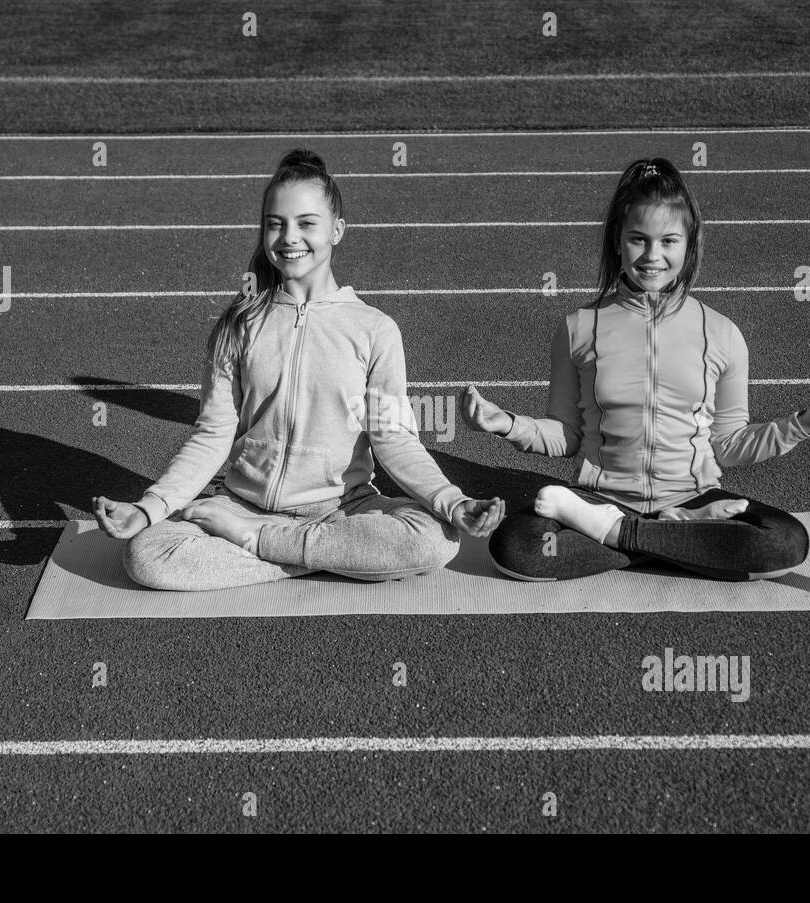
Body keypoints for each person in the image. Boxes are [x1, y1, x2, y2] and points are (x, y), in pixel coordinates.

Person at [95, 149, 505, 591]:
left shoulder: (374, 329)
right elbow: (211, 434)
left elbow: (395, 439)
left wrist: (452, 501)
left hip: (341, 507)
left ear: (336, 231)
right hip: (243, 504)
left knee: (435, 538)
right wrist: (150, 507)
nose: (290, 237)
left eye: (307, 223)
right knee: (147, 553)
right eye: (276, 223)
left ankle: (259, 544)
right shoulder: (239, 324)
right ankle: (326, 554)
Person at [462, 157, 810, 582]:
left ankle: (616, 537)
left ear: (689, 244)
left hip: (692, 499)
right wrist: (507, 424)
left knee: (785, 540)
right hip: (600, 498)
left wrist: (805, 422)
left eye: (668, 241)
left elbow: (728, 444)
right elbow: (568, 434)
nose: (652, 256)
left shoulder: (721, 333)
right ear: (617, 241)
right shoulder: (579, 328)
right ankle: (670, 541)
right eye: (638, 239)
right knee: (516, 546)